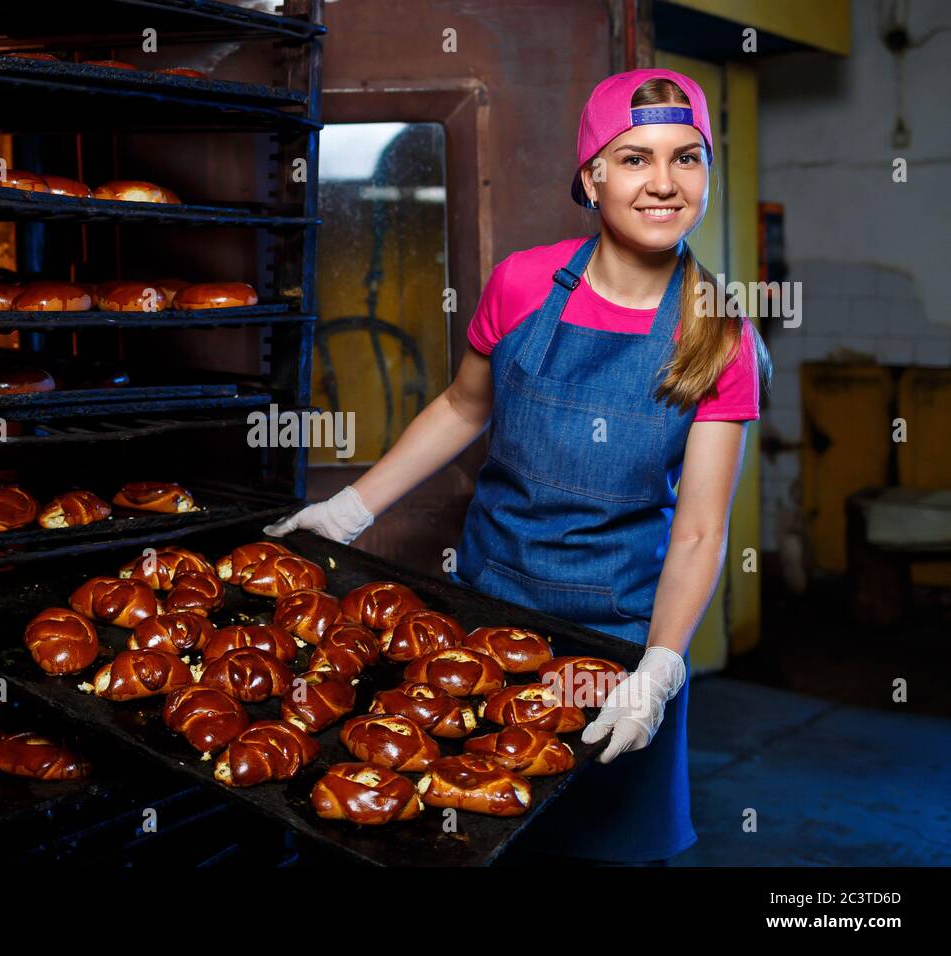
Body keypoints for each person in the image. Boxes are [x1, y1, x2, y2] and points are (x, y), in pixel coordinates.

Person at [264, 67, 772, 865]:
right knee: (476, 831)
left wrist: (661, 667)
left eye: (688, 158)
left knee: (603, 849)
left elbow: (703, 529)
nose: (665, 183)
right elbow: (464, 408)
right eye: (636, 158)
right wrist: (351, 510)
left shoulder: (720, 337)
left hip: (619, 643)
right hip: (487, 613)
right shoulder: (525, 284)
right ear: (591, 176)